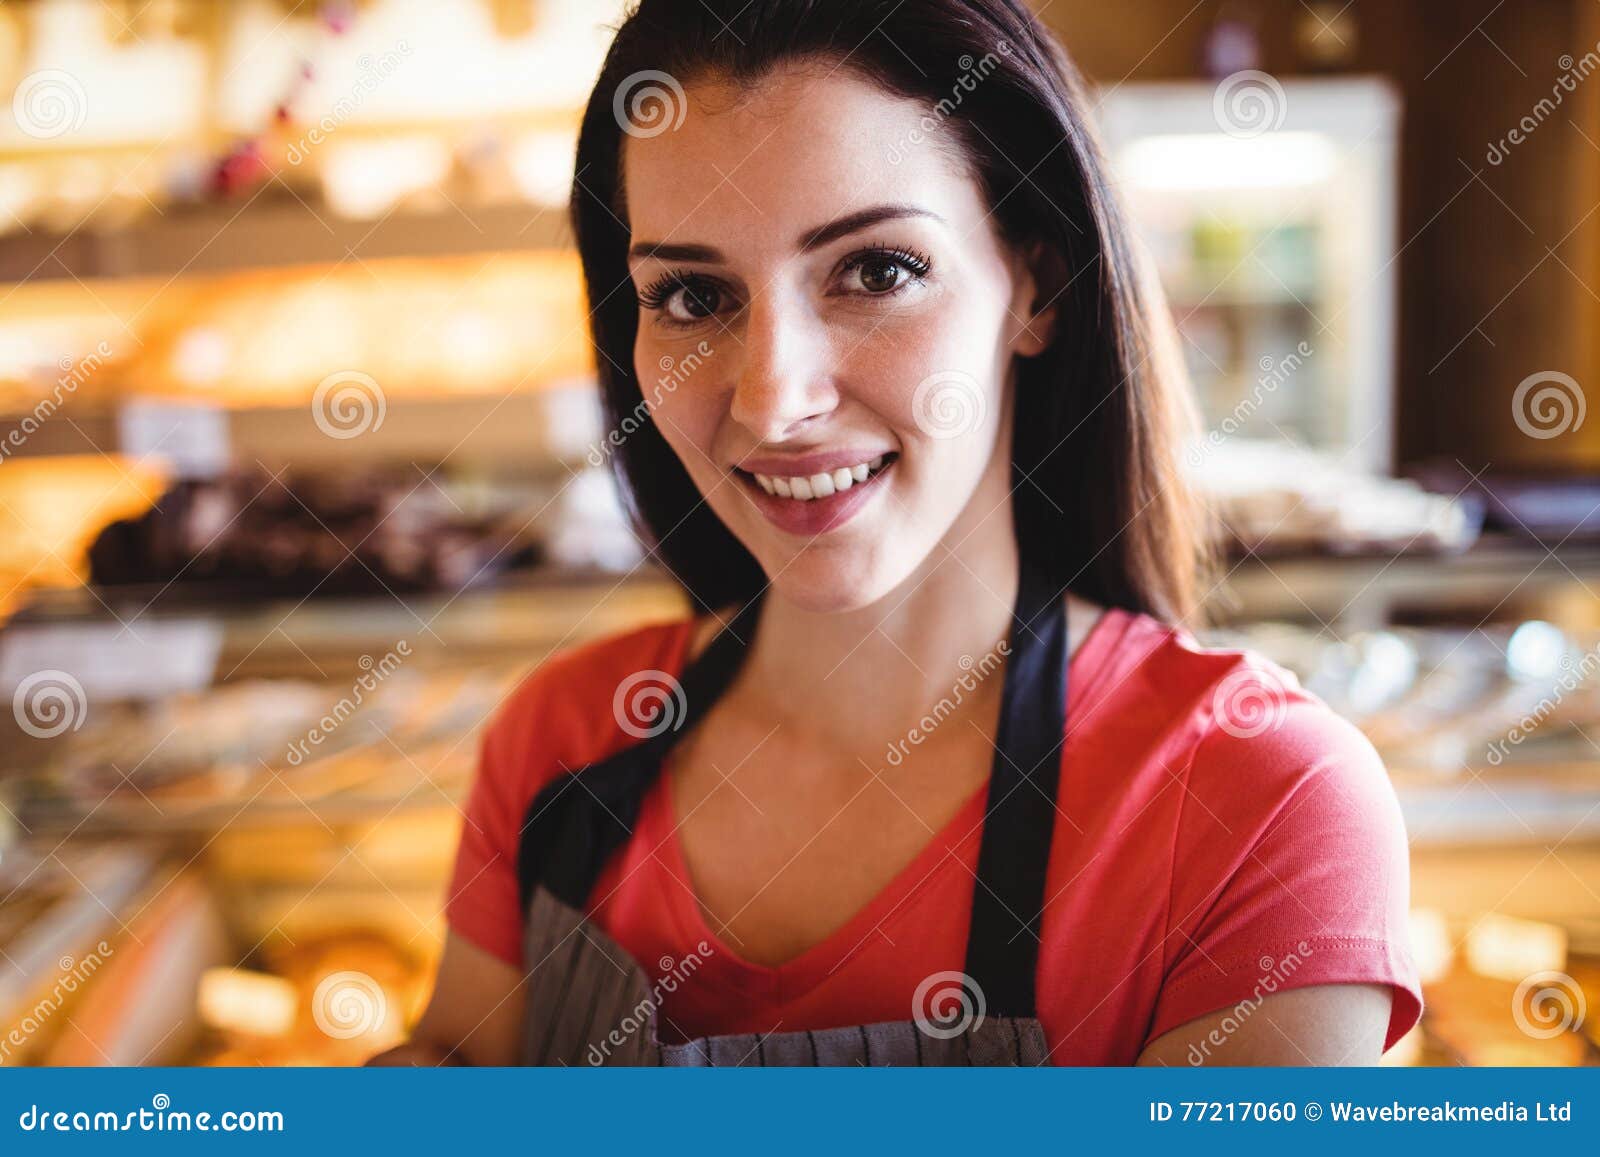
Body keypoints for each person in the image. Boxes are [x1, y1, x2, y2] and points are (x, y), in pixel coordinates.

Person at [373, 0, 1420, 1066]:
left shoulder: (1259, 805)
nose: (774, 400)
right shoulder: (562, 740)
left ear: (1037, 284)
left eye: (876, 271)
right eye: (691, 295)